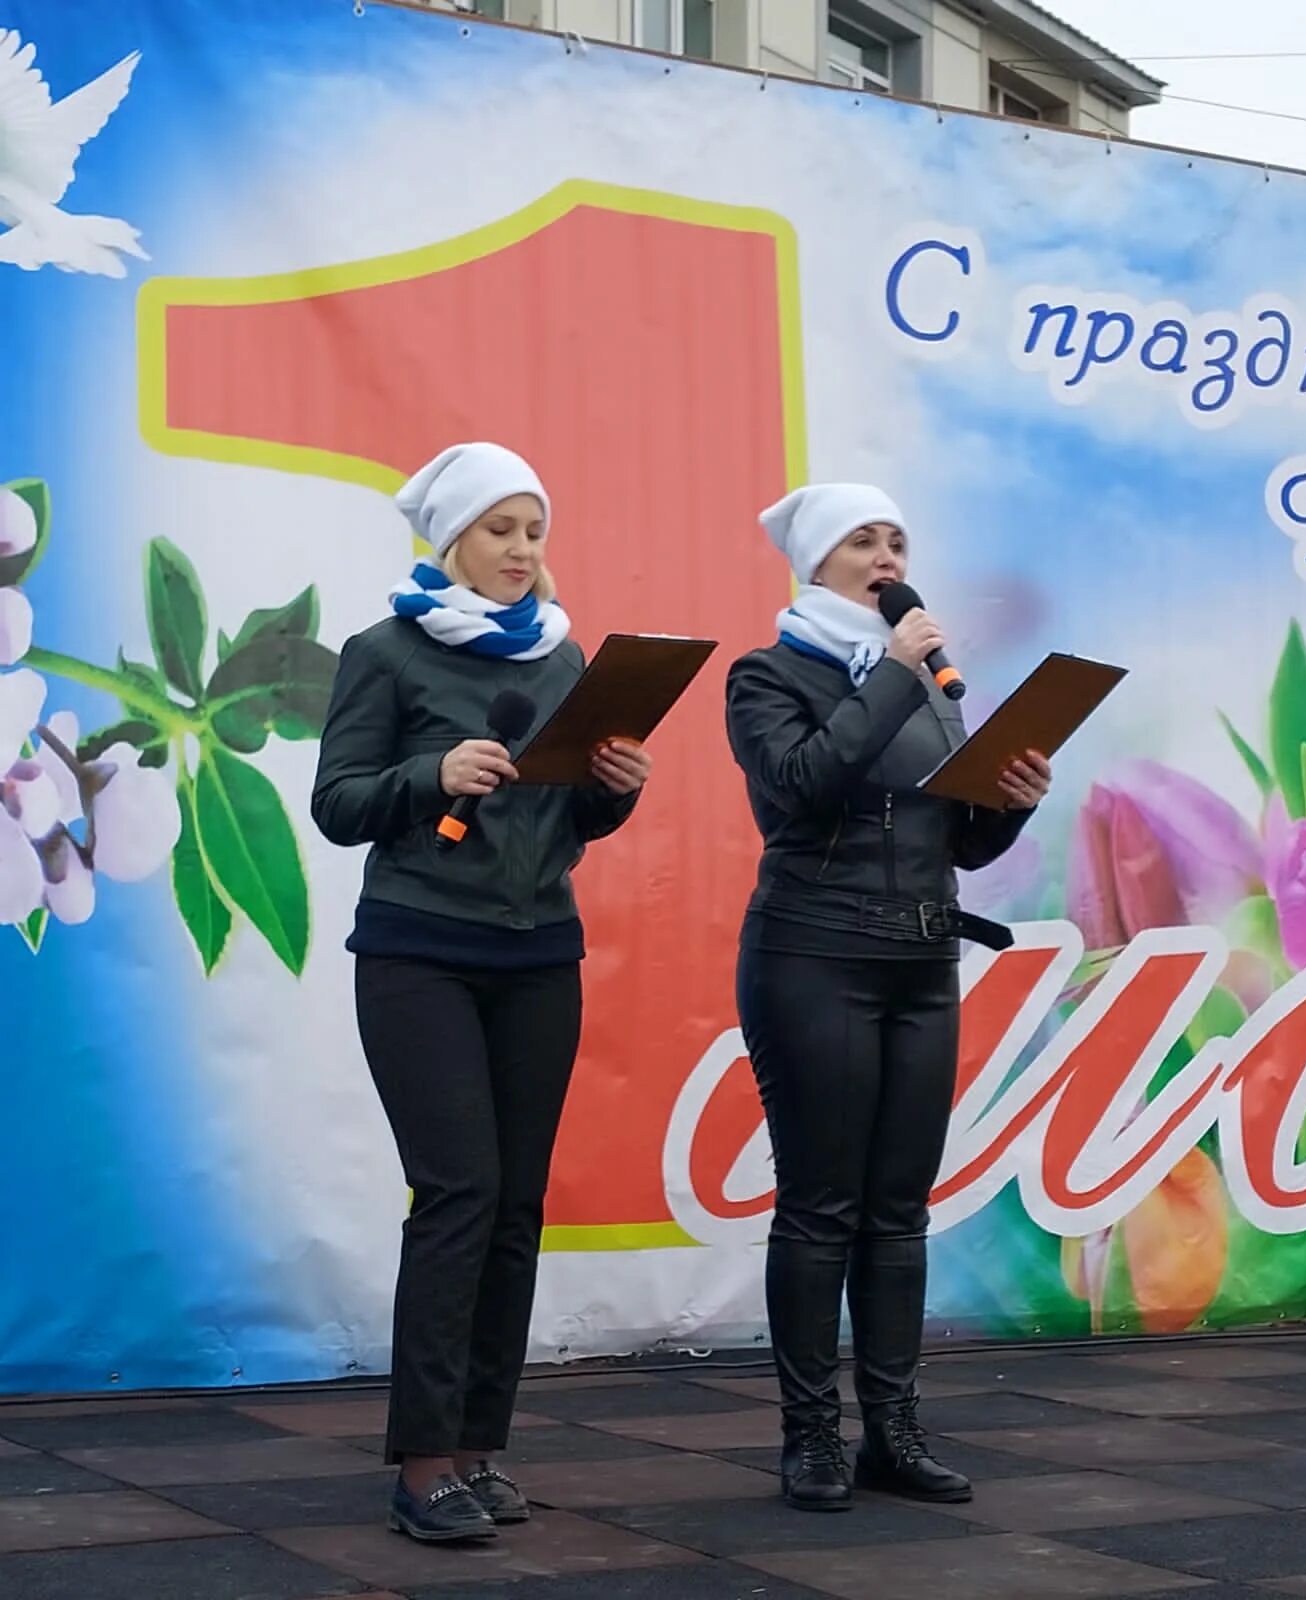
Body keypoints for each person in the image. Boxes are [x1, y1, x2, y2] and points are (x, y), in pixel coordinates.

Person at [311, 442, 652, 1544]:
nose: (520, 550)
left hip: (538, 955)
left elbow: (561, 825)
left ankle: (476, 1449)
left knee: (514, 1206)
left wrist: (609, 796)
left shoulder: (564, 661)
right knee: (457, 1192)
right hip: (418, 953)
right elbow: (338, 802)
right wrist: (432, 773)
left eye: (534, 530)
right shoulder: (385, 651)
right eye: (499, 528)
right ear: (450, 537)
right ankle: (420, 1467)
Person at [725, 483, 1052, 1512]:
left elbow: (954, 842)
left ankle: (893, 1427)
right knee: (821, 1205)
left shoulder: (930, 686)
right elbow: (804, 783)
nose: (883, 554)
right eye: (862, 539)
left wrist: (1007, 804)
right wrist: (897, 675)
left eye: (896, 539)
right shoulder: (765, 675)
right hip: (812, 954)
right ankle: (811, 1433)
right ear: (817, 560)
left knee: (898, 1210)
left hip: (921, 964)